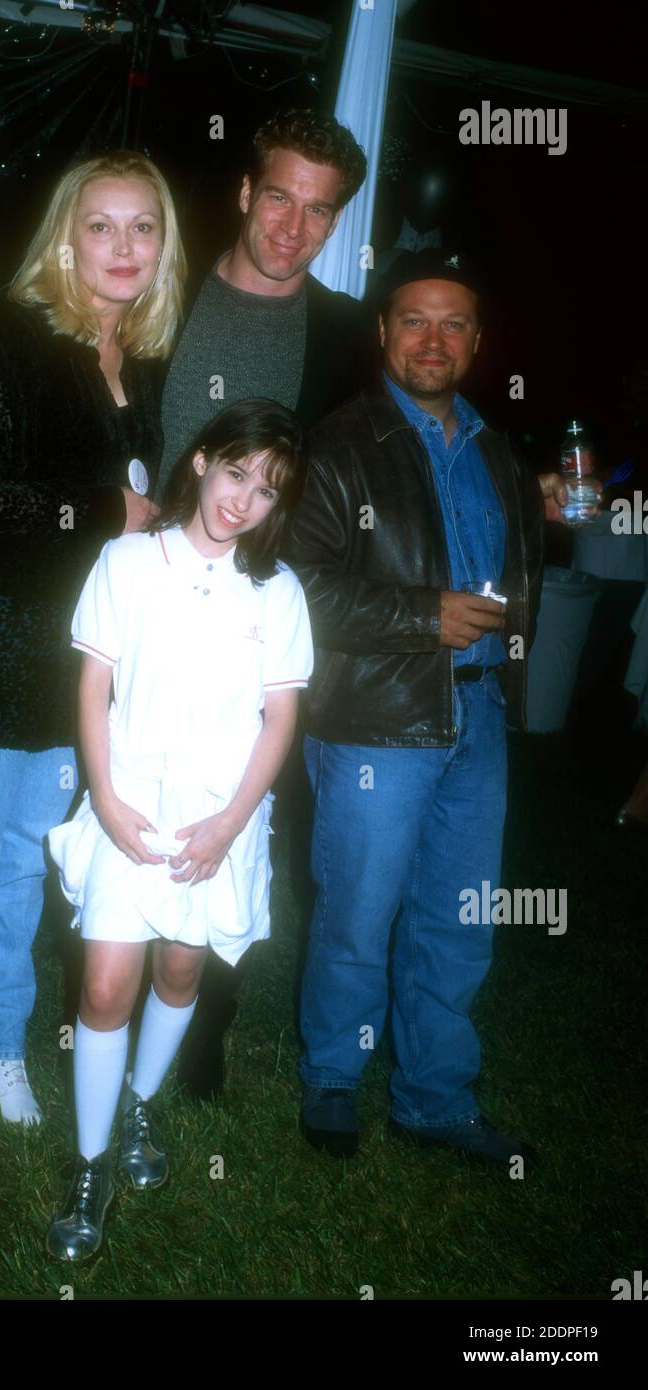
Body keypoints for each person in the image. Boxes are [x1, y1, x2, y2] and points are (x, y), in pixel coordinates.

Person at [0, 150, 185, 1126]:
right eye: (99, 225)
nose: (121, 245)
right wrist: (104, 507)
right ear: (66, 238)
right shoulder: (16, 344)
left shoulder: (139, 362)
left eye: (141, 226)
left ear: (163, 244)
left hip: (77, 666)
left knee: (29, 862)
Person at [283, 249, 546, 1163]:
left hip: (478, 722)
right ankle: (331, 1078)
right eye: (413, 320)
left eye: (453, 323)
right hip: (376, 721)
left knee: (460, 917)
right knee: (358, 914)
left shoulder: (497, 449)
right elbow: (296, 589)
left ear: (476, 341)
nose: (432, 340)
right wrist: (416, 618)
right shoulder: (337, 443)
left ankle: (434, 1096)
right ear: (383, 332)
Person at [44, 399, 313, 1260]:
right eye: (235, 472)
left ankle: (140, 1105)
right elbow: (93, 685)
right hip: (133, 802)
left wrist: (231, 825)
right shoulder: (127, 560)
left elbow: (279, 720)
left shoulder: (277, 592)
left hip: (216, 815)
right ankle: (89, 1166)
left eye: (267, 491)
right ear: (201, 461)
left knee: (181, 964)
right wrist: (107, 796)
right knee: (103, 984)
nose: (243, 500)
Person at [159, 107, 369, 1098]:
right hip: (145, 600)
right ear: (244, 191)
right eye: (278, 196)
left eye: (318, 211)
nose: (292, 226)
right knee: (126, 801)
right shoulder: (163, 296)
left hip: (258, 623)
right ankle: (103, 1002)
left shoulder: (342, 340)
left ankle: (200, 1040)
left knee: (242, 829)